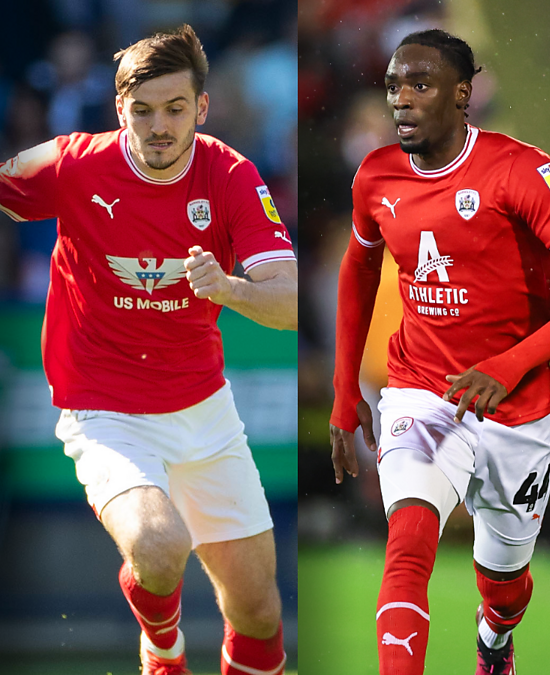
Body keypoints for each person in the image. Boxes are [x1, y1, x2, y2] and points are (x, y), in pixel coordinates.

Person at [0, 25, 297, 675]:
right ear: (119, 110)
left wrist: (230, 288)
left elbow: (290, 300)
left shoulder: (231, 175)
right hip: (104, 408)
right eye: (142, 111)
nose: (158, 126)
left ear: (202, 108)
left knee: (258, 611)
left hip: (203, 409)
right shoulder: (76, 163)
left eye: (174, 109)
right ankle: (164, 649)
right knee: (161, 545)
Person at [327, 29, 550, 675]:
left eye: (419, 84)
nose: (402, 99)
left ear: (462, 94)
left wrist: (509, 365)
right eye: (394, 85)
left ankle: (495, 640)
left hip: (517, 409)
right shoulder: (377, 175)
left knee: (503, 586)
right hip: (421, 391)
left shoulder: (520, 169)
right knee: (409, 544)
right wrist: (345, 392)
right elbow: (358, 271)